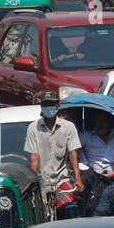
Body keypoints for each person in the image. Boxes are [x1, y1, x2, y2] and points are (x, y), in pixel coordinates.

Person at [24, 90, 84, 219]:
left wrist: (78, 179)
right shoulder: (33, 128)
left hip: (62, 179)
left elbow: (73, 154)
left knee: (71, 211)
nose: (49, 107)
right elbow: (34, 158)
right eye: (46, 104)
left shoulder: (68, 127)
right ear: (41, 107)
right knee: (39, 215)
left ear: (57, 105)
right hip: (42, 181)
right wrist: (33, 182)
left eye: (51, 104)